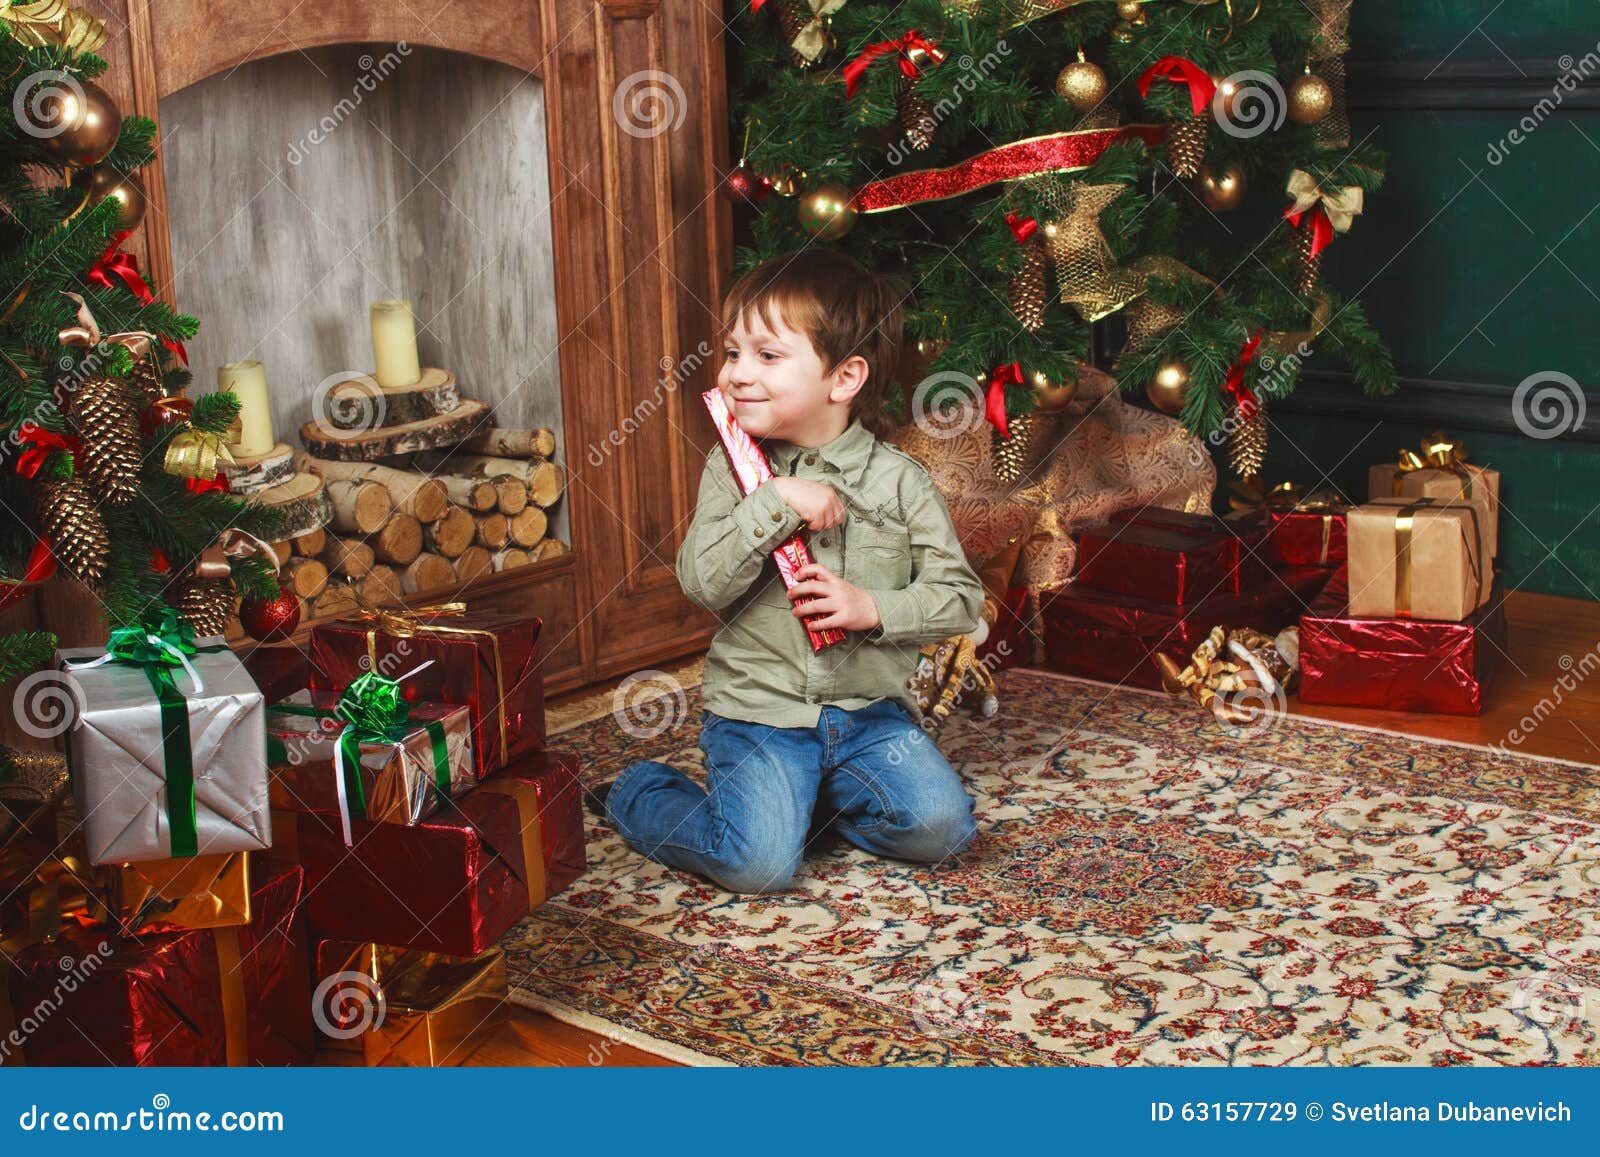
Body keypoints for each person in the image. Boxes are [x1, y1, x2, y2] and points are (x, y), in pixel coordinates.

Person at [592, 249, 985, 894]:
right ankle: (637, 792)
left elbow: (961, 600)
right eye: (732, 353)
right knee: (758, 867)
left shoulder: (899, 484)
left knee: (943, 830)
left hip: (869, 718)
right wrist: (773, 503)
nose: (737, 375)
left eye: (768, 356)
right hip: (760, 714)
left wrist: (873, 608)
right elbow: (701, 584)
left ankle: (811, 805)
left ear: (844, 377)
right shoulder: (733, 471)